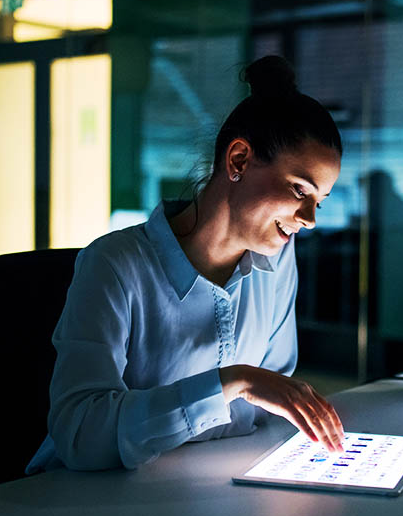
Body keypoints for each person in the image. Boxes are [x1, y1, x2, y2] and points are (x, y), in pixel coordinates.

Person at [27, 56, 346, 472]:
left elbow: (271, 408)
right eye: (299, 190)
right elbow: (82, 435)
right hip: (92, 505)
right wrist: (234, 381)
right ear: (238, 161)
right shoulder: (115, 264)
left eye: (318, 201)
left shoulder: (278, 263)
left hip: (208, 497)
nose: (309, 219)